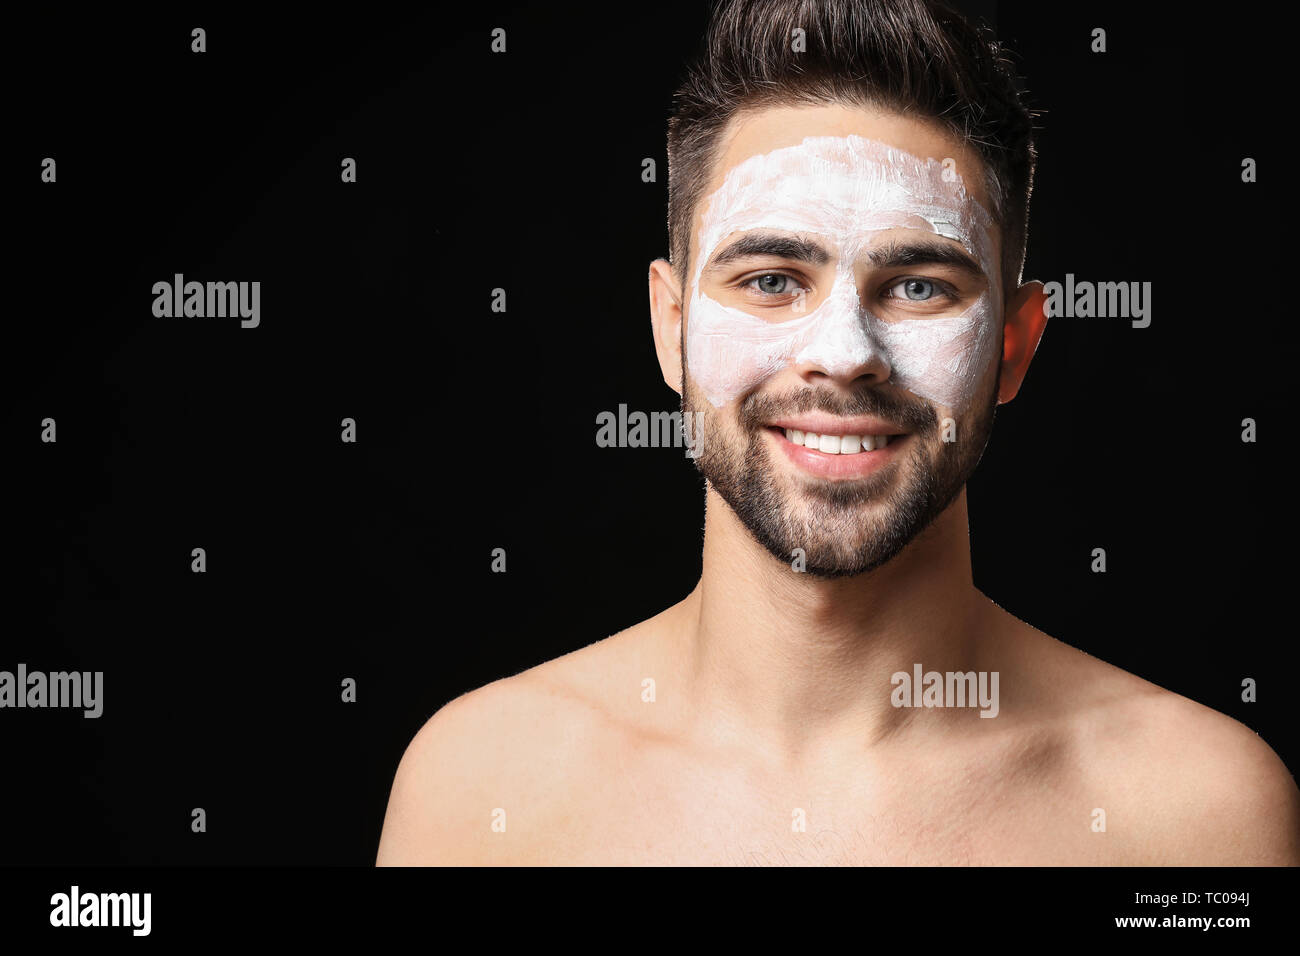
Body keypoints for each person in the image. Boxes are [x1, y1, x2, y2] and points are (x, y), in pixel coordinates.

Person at [377, 0, 1300, 865]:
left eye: (920, 286)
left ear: (1013, 348)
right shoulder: (479, 793)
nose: (844, 355)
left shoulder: (1195, 816)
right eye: (773, 279)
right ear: (672, 329)